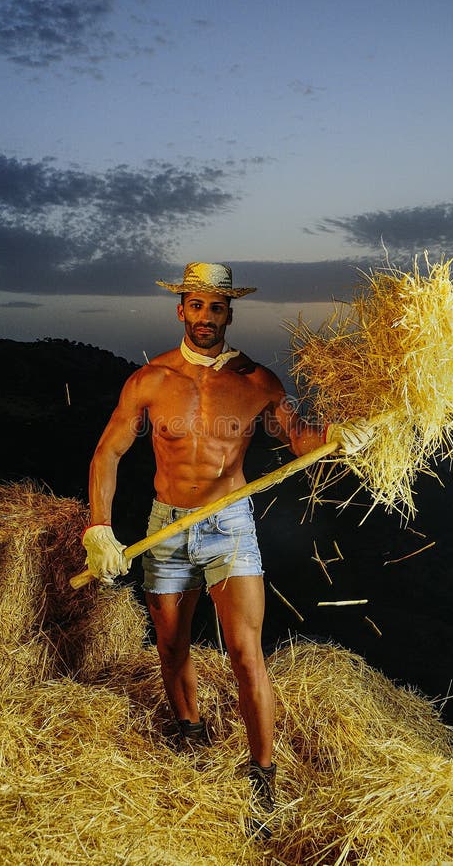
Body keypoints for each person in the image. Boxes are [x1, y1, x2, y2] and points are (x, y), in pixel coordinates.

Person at [82, 262, 373, 827]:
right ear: (181, 309)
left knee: (245, 652)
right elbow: (107, 453)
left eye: (216, 307)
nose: (206, 316)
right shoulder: (151, 380)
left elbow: (298, 438)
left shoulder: (257, 381)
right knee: (171, 645)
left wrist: (337, 437)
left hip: (229, 525)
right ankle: (190, 735)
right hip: (166, 525)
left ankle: (262, 775)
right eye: (197, 305)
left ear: (229, 315)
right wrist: (99, 528)